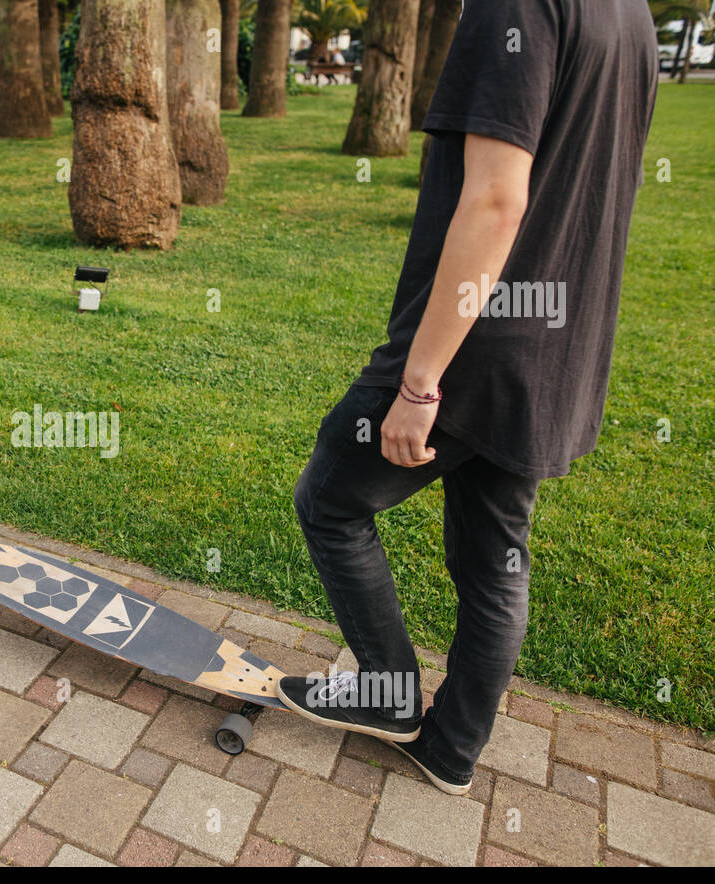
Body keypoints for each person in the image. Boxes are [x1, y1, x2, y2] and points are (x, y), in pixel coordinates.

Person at [275, 0, 658, 795]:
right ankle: (450, 749)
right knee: (494, 560)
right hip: (552, 350)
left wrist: (420, 385)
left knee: (331, 501)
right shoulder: (632, 14)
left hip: (472, 348)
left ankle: (386, 695)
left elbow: (496, 200)